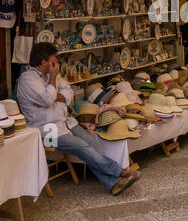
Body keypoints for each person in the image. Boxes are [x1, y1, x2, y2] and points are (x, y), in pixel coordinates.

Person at [15, 43, 140, 195]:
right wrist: (53, 81)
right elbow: (48, 100)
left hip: (66, 123)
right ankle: (118, 172)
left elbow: (69, 92)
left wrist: (55, 93)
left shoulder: (51, 76)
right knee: (82, 147)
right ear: (44, 62)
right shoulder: (27, 79)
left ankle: (113, 184)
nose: (57, 64)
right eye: (54, 60)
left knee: (93, 143)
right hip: (45, 131)